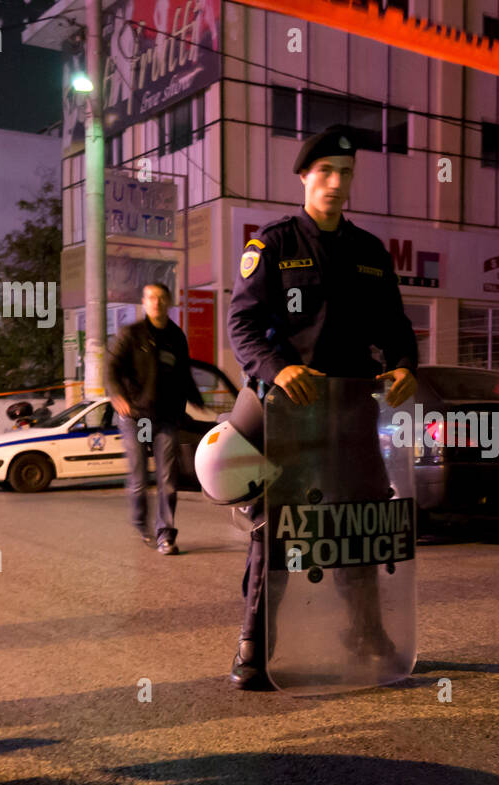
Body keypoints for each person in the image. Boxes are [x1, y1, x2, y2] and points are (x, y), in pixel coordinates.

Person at [226, 124, 418, 690]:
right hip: (291, 409)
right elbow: (241, 324)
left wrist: (406, 365)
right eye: (326, 173)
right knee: (280, 528)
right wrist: (276, 368)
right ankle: (257, 646)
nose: (336, 183)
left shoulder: (369, 253)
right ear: (305, 178)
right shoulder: (274, 244)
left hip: (353, 407)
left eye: (346, 174)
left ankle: (366, 632)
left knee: (358, 523)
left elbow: (396, 327)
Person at [106, 282, 205, 555]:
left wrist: (197, 400)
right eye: (151, 297)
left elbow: (184, 374)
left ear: (169, 301)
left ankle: (166, 535)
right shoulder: (132, 334)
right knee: (139, 477)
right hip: (137, 416)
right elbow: (111, 368)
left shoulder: (176, 336)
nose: (157, 302)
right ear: (144, 302)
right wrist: (118, 396)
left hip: (166, 418)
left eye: (161, 298)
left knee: (168, 478)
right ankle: (140, 522)